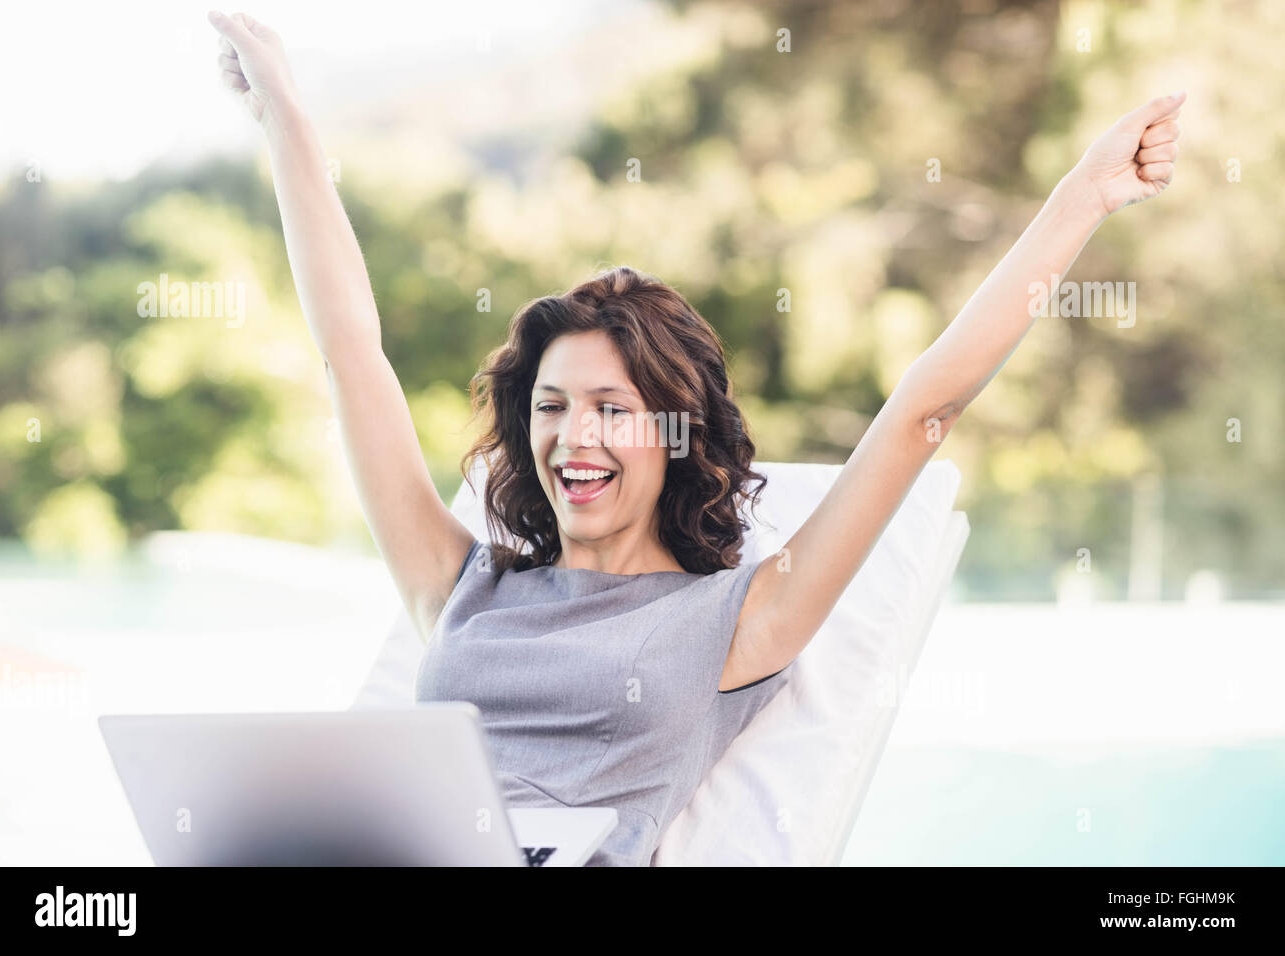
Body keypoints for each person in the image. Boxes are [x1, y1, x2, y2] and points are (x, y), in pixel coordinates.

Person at [207, 10, 1184, 865]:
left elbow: (923, 408)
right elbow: (350, 355)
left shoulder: (732, 620)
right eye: (549, 407)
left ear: (674, 434)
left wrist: (1080, 199)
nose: (571, 436)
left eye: (611, 408)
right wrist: (287, 120)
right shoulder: (463, 585)